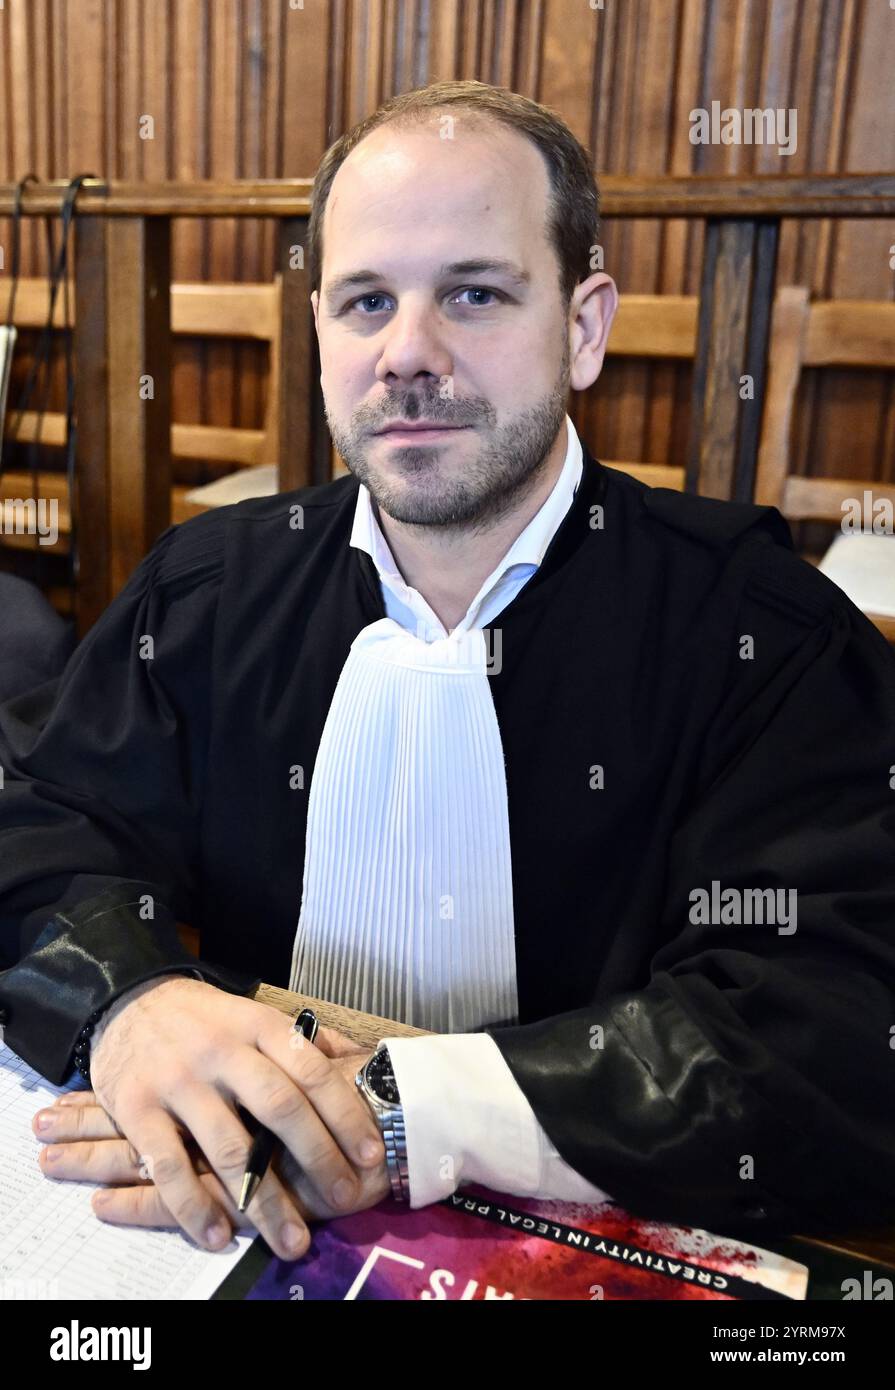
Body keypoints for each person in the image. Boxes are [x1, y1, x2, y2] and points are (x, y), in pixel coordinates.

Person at [1, 79, 894, 1264]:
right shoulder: (203, 591)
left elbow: (830, 1025)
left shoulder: (766, 638)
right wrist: (127, 1004)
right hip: (221, 1226)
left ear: (582, 326)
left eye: (473, 294)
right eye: (365, 301)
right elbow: (46, 828)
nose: (406, 354)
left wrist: (397, 1113)